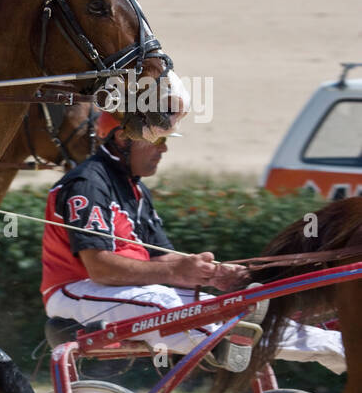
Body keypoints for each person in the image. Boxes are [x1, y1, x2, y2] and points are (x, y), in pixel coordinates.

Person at [40, 109, 346, 373]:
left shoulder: (136, 190)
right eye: (158, 139)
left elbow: (163, 261)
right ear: (122, 138)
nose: (164, 149)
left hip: (125, 293)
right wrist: (176, 272)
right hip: (74, 294)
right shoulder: (88, 184)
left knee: (224, 306)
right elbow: (99, 268)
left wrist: (213, 274)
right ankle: (225, 340)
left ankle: (338, 348)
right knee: (165, 304)